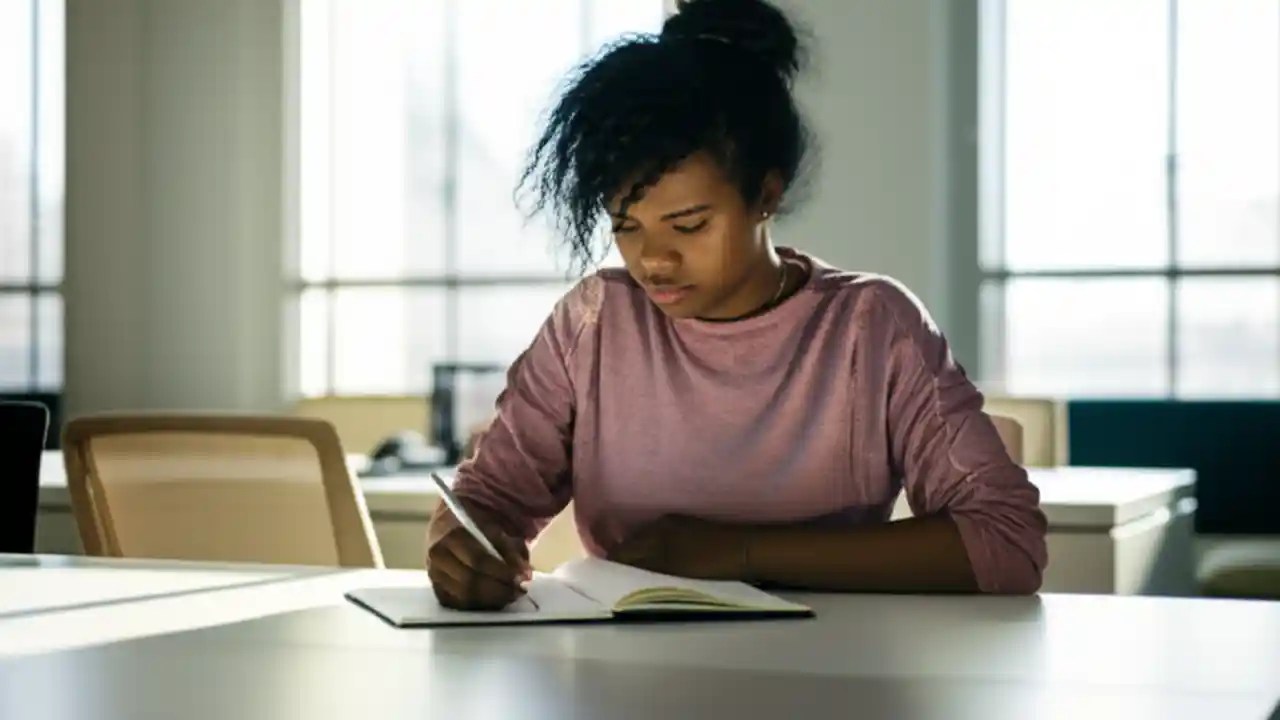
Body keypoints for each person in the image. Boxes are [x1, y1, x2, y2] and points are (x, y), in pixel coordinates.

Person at [425, 0, 1047, 611]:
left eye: (689, 225)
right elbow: (486, 501)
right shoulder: (593, 324)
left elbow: (1005, 543)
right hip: (629, 687)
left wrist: (741, 552)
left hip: (836, 676)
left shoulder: (871, 327)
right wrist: (464, 549)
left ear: (765, 195)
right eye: (627, 226)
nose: (654, 261)